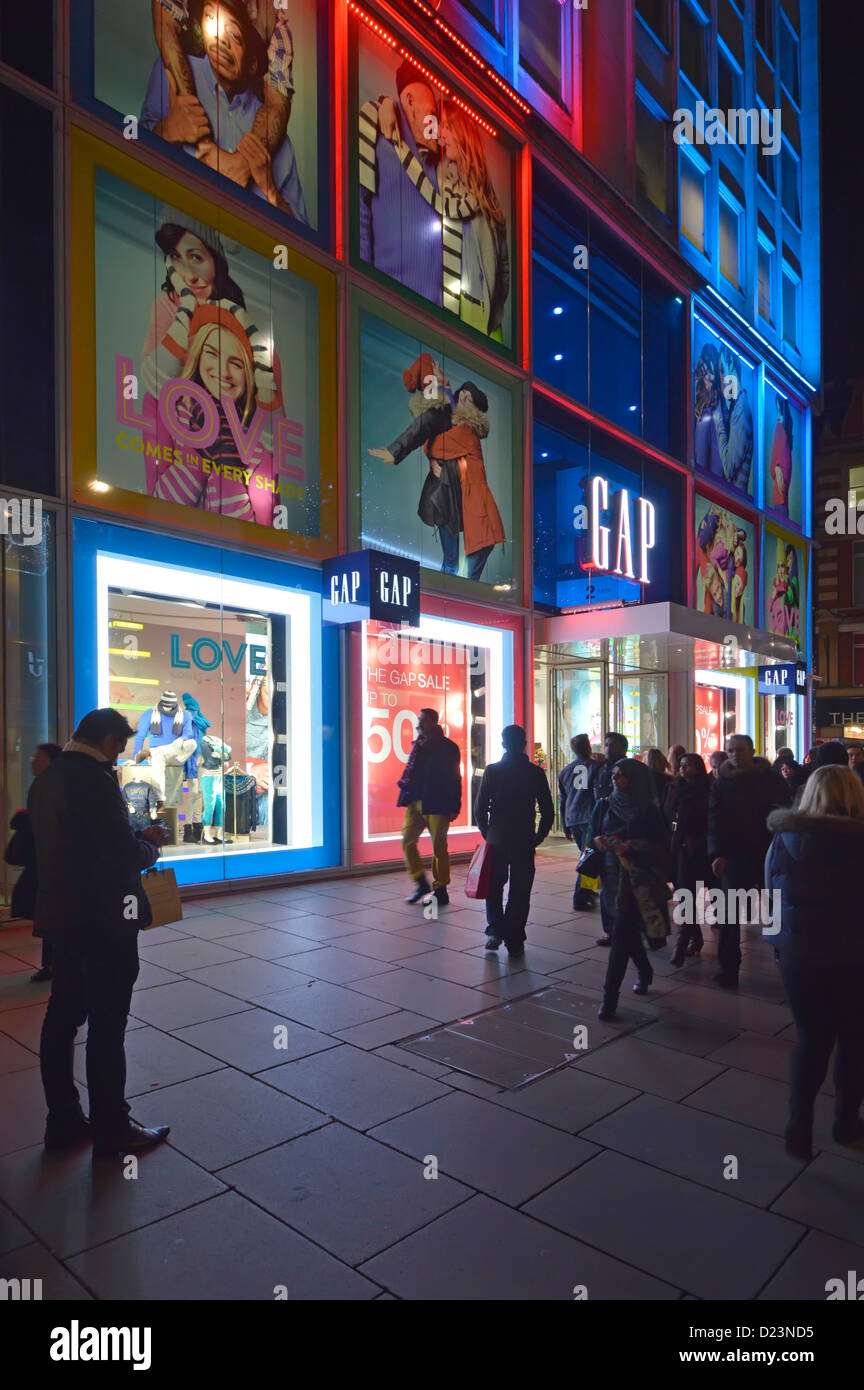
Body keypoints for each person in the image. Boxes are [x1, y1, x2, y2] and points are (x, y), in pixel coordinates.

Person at [28, 709, 171, 1156]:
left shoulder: (47, 780)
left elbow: (73, 845)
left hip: (63, 920)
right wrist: (150, 844)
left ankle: (64, 1121)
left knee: (62, 1018)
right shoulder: (95, 780)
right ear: (108, 741)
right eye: (120, 747)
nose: (120, 756)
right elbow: (119, 856)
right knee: (109, 1023)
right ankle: (112, 1125)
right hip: (104, 922)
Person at [766, 766, 864, 1160]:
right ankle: (845, 1122)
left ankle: (799, 1123)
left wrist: (779, 945)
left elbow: (772, 892)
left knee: (811, 1040)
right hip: (856, 955)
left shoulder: (785, 838)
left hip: (801, 955)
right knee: (855, 1043)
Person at [142, 0, 308, 219]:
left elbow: (300, 239)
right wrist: (170, 131)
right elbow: (129, 155)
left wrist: (259, 181)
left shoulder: (283, 148)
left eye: (235, 36)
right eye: (211, 20)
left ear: (252, 64)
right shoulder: (167, 77)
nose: (221, 40)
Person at [368, 355, 506, 580]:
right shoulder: (456, 426)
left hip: (473, 507)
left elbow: (435, 444)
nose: (463, 397)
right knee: (453, 564)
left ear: (475, 408)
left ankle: (459, 602)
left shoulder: (468, 432)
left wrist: (404, 450)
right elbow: (441, 423)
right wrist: (443, 387)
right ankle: (455, 601)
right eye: (462, 393)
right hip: (452, 499)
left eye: (468, 398)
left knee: (464, 569)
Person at [152, 304, 278, 520]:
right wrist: (199, 448)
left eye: (236, 364)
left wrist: (227, 464)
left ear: (249, 376)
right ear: (198, 355)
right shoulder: (170, 412)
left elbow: (250, 537)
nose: (223, 371)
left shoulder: (257, 450)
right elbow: (160, 509)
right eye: (212, 353)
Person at [592, 759, 671, 1020]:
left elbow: (661, 846)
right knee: (625, 932)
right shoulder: (605, 803)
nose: (615, 779)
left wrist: (631, 846)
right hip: (611, 876)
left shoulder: (648, 810)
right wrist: (600, 842)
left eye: (621, 775)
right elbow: (592, 834)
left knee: (622, 932)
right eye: (614, 775)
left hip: (638, 881)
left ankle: (609, 998)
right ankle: (644, 970)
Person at [358, 61, 444, 303]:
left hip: (435, 324)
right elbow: (359, 214)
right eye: (432, 116)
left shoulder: (440, 169)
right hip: (387, 310)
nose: (436, 129)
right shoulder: (382, 145)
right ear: (408, 101)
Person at [707, 733, 787, 989]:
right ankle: (728, 968)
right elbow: (715, 819)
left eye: (739, 750)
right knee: (730, 913)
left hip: (767, 851)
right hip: (736, 853)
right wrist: (718, 852)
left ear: (751, 751)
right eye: (730, 750)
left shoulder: (770, 778)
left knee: (777, 907)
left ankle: (781, 951)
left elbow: (785, 809)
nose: (734, 755)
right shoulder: (722, 783)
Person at [474, 725, 554, 958]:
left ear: (503, 744)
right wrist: (538, 837)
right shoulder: (535, 773)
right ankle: (515, 938)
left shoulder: (492, 771)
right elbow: (547, 811)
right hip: (524, 838)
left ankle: (495, 929)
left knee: (494, 885)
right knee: (520, 890)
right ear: (524, 743)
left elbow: (479, 809)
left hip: (498, 837)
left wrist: (487, 833)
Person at [4, 743, 63, 982]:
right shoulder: (48, 786)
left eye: (39, 758)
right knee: (50, 915)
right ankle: (52, 964)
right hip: (46, 864)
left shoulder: (49, 787)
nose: (33, 762)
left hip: (49, 865)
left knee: (51, 915)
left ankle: (53, 964)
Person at [397, 708, 462, 907]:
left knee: (438, 848)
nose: (418, 724)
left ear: (434, 722)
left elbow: (454, 778)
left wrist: (454, 805)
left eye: (423, 721)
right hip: (415, 802)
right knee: (407, 840)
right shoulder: (419, 745)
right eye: (419, 720)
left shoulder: (447, 747)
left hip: (437, 803)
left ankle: (440, 891)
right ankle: (421, 883)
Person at [665, 753, 715, 965]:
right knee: (684, 893)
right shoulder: (674, 788)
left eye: (688, 765)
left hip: (699, 849)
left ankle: (681, 942)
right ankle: (694, 936)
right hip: (678, 848)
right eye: (682, 765)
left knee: (689, 893)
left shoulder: (707, 789)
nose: (683, 769)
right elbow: (667, 815)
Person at [593, 732, 629, 946]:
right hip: (604, 834)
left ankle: (626, 928)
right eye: (606, 744)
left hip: (624, 836)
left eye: (612, 745)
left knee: (624, 886)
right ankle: (611, 930)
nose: (607, 748)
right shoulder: (600, 769)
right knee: (607, 886)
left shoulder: (630, 769)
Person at [558, 734, 597, 909]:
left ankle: (588, 891)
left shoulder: (565, 771)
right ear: (588, 747)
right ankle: (580, 898)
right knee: (589, 858)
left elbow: (563, 800)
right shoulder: (597, 766)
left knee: (586, 855)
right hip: (590, 817)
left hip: (573, 818)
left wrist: (565, 825)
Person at [713, 346, 754, 493]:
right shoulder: (737, 407)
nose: (722, 380)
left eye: (722, 371)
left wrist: (718, 422)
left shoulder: (741, 409)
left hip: (735, 502)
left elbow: (729, 469)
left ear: (731, 364)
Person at [769, 393, 793, 519]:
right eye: (777, 412)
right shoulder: (785, 437)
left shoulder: (780, 431)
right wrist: (776, 468)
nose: (778, 417)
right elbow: (773, 469)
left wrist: (777, 468)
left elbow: (773, 468)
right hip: (781, 501)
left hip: (780, 500)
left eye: (780, 412)